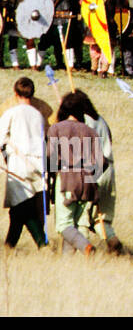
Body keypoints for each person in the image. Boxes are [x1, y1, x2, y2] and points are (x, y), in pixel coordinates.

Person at [46, 91, 101, 255]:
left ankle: (86, 247)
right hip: (89, 181)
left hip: (67, 179)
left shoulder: (56, 128)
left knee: (63, 225)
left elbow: (50, 157)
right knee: (74, 225)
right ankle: (67, 264)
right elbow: (101, 162)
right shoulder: (91, 131)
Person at [67, 91, 121, 253]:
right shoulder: (101, 120)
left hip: (91, 170)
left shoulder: (83, 122)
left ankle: (85, 254)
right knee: (101, 218)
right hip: (108, 171)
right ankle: (113, 240)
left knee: (82, 218)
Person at [1, 77, 47, 248]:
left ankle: (43, 243)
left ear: (15, 93)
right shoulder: (39, 115)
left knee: (22, 206)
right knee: (18, 209)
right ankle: (9, 246)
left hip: (19, 164)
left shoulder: (11, 113)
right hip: (38, 164)